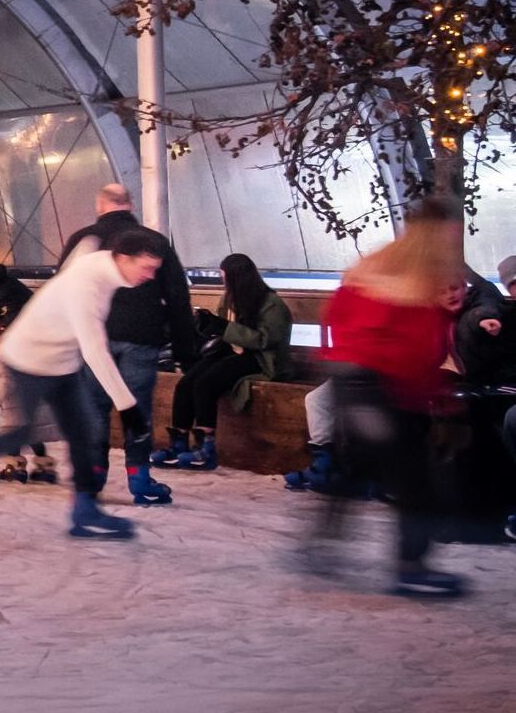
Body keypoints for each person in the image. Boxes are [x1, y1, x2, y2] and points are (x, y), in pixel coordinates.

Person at [0, 229, 169, 537]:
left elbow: (84, 249)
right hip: (29, 357)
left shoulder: (102, 263)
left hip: (61, 361)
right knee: (24, 429)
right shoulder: (88, 288)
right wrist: (128, 407)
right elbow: (94, 349)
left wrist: (92, 237)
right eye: (147, 267)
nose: (150, 276)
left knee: (83, 433)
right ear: (124, 259)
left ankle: (84, 510)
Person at [306, 201, 470, 597]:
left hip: (368, 384)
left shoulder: (385, 267)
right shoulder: (410, 274)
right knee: (415, 476)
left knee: (360, 466)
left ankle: (320, 546)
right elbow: (409, 345)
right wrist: (431, 391)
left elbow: (343, 321)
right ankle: (411, 567)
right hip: (379, 386)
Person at [64, 185, 199, 505]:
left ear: (101, 205)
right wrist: (185, 351)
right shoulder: (154, 242)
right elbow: (179, 297)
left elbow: (64, 290)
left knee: (94, 408)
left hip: (95, 336)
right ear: (129, 204)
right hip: (142, 337)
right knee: (136, 408)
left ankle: (93, 475)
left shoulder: (85, 239)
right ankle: (139, 478)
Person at [162, 254, 294, 470]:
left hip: (260, 359)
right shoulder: (230, 299)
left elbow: (265, 339)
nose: (222, 281)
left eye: (224, 276)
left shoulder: (272, 304)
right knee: (187, 382)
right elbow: (223, 326)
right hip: (231, 351)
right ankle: (179, 441)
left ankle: (206, 447)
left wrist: (224, 328)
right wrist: (207, 325)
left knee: (206, 383)